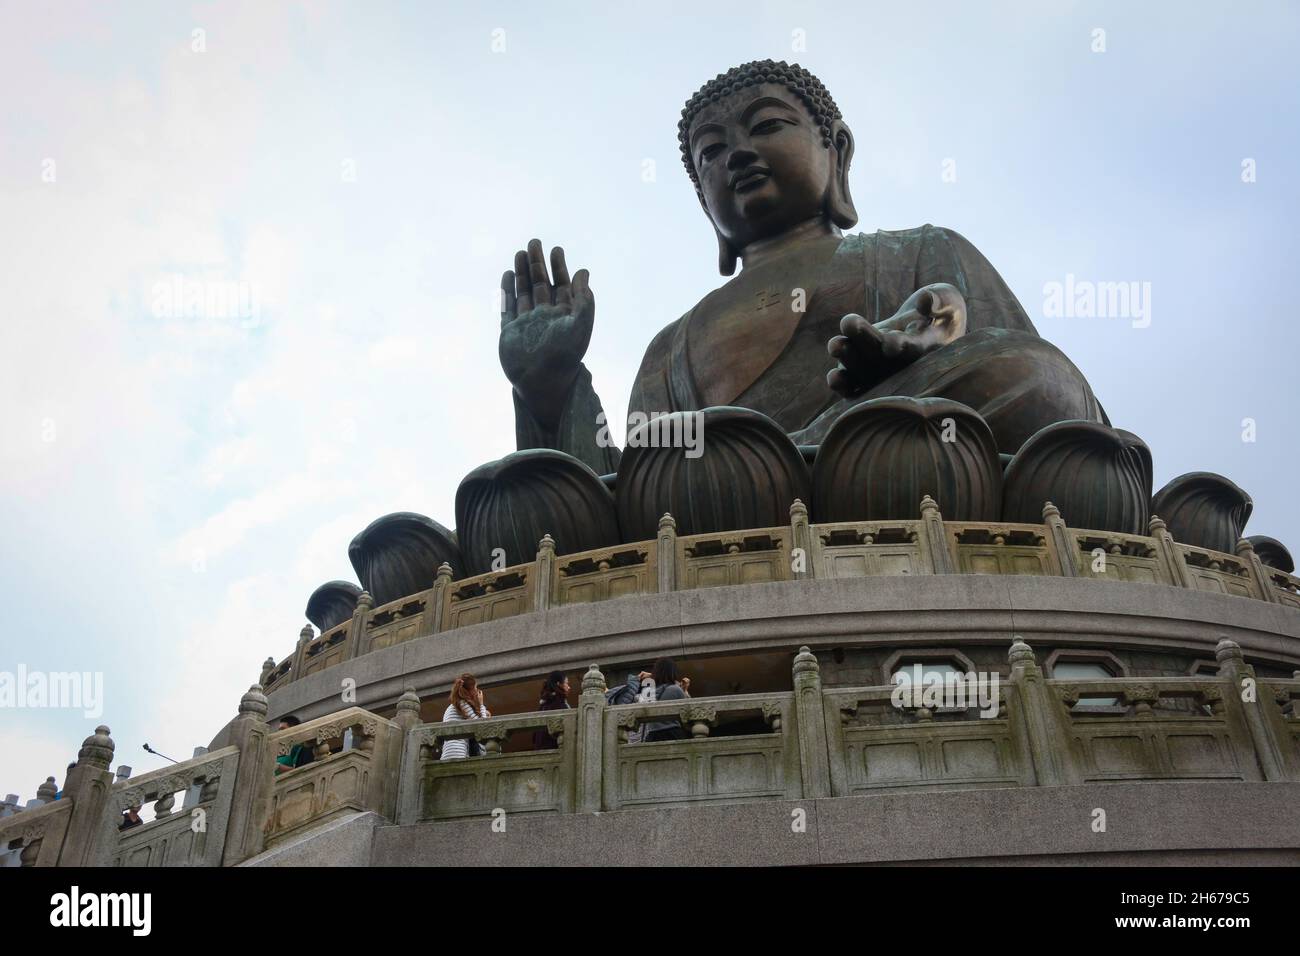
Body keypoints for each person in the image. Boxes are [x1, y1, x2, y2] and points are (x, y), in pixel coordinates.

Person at [499, 60, 1104, 474]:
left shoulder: (919, 250)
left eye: (766, 126)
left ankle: (808, 455)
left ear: (835, 151)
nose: (736, 153)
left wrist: (918, 349)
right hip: (724, 494)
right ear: (703, 202)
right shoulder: (672, 344)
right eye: (710, 151)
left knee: (1030, 373)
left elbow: (1023, 381)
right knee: (647, 485)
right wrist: (547, 386)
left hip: (895, 451)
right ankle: (796, 460)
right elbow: (631, 482)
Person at [640, 659, 692, 743]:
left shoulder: (648, 692)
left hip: (652, 735)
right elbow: (690, 710)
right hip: (673, 733)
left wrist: (652, 676)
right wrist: (685, 691)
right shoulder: (675, 689)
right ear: (673, 672)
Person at [440, 673, 490, 759]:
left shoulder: (458, 703)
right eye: (475, 687)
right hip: (458, 752)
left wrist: (483, 711)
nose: (477, 690)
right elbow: (482, 725)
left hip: (449, 752)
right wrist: (481, 704)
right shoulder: (462, 703)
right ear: (470, 690)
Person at [532, 671, 571, 750]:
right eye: (566, 683)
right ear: (559, 684)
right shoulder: (558, 703)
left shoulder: (544, 704)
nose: (569, 687)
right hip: (554, 749)